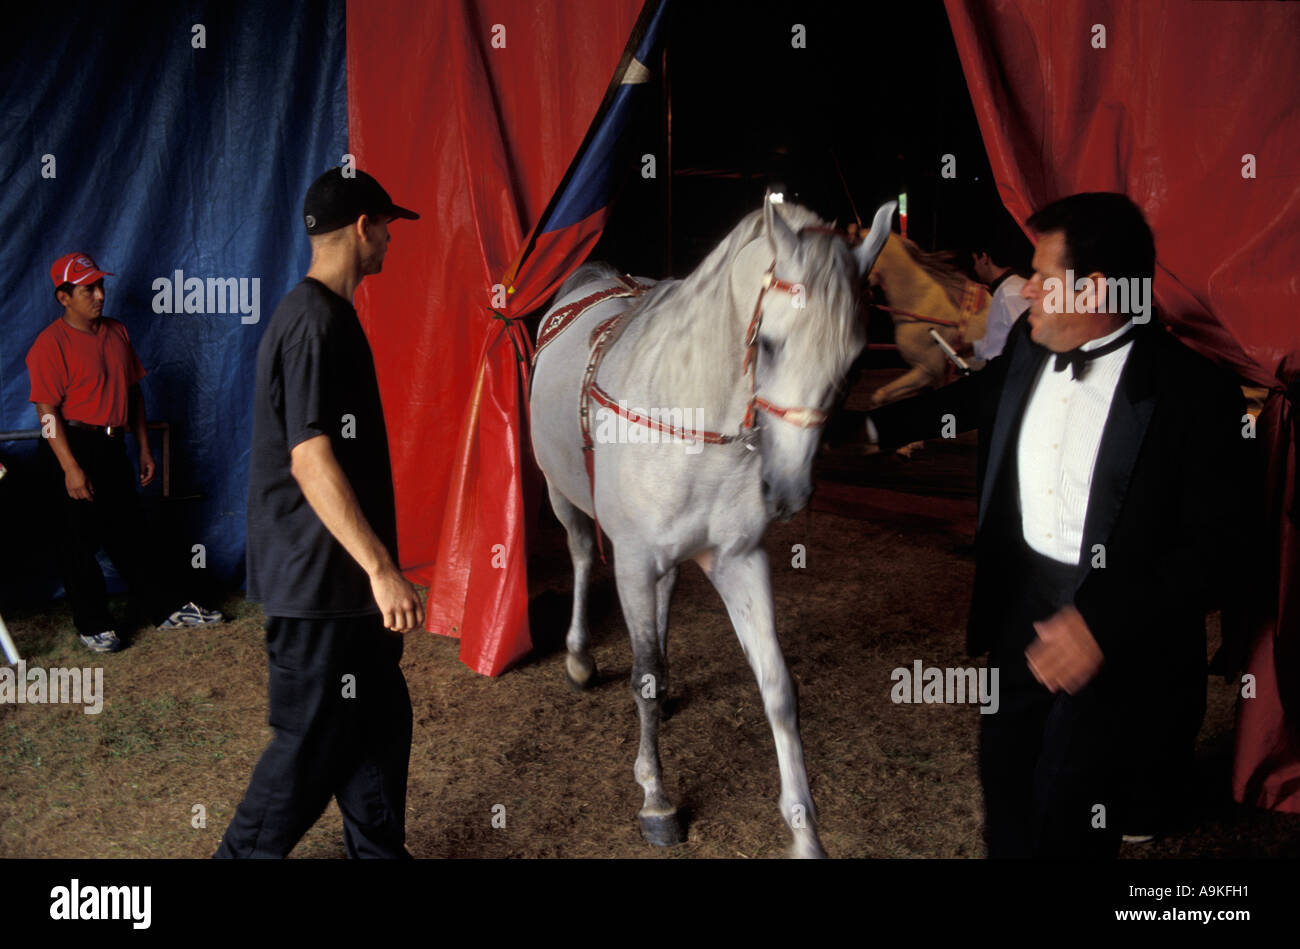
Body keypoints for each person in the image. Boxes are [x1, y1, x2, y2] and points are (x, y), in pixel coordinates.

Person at [866, 192, 1249, 857]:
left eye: (1043, 276)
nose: (1027, 289)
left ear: (1093, 288)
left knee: (1070, 806)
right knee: (1006, 776)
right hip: (1019, 601)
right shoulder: (1030, 342)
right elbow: (976, 398)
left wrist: (1104, 623)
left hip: (1116, 629)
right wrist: (864, 430)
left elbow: (1218, 548)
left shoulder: (1195, 393)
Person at [215, 167, 423, 859]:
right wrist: (382, 569)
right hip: (317, 588)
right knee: (307, 750)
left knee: (380, 724)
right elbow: (310, 459)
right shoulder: (311, 323)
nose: (390, 237)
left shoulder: (329, 315)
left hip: (344, 590)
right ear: (363, 226)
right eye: (387, 224)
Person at [26, 254, 224, 654]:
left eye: (101, 286)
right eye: (88, 290)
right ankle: (94, 625)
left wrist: (145, 447)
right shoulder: (50, 344)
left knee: (132, 533)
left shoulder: (117, 331)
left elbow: (133, 392)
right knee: (77, 541)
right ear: (63, 297)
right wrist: (70, 468)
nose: (99, 295)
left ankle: (166, 609)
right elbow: (46, 413)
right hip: (70, 445)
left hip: (113, 444)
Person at [971, 245, 1029, 363]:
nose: (974, 268)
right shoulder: (1006, 289)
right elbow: (1001, 339)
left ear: (984, 259)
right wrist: (973, 348)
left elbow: (1024, 341)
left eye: (974, 261)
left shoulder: (1011, 292)